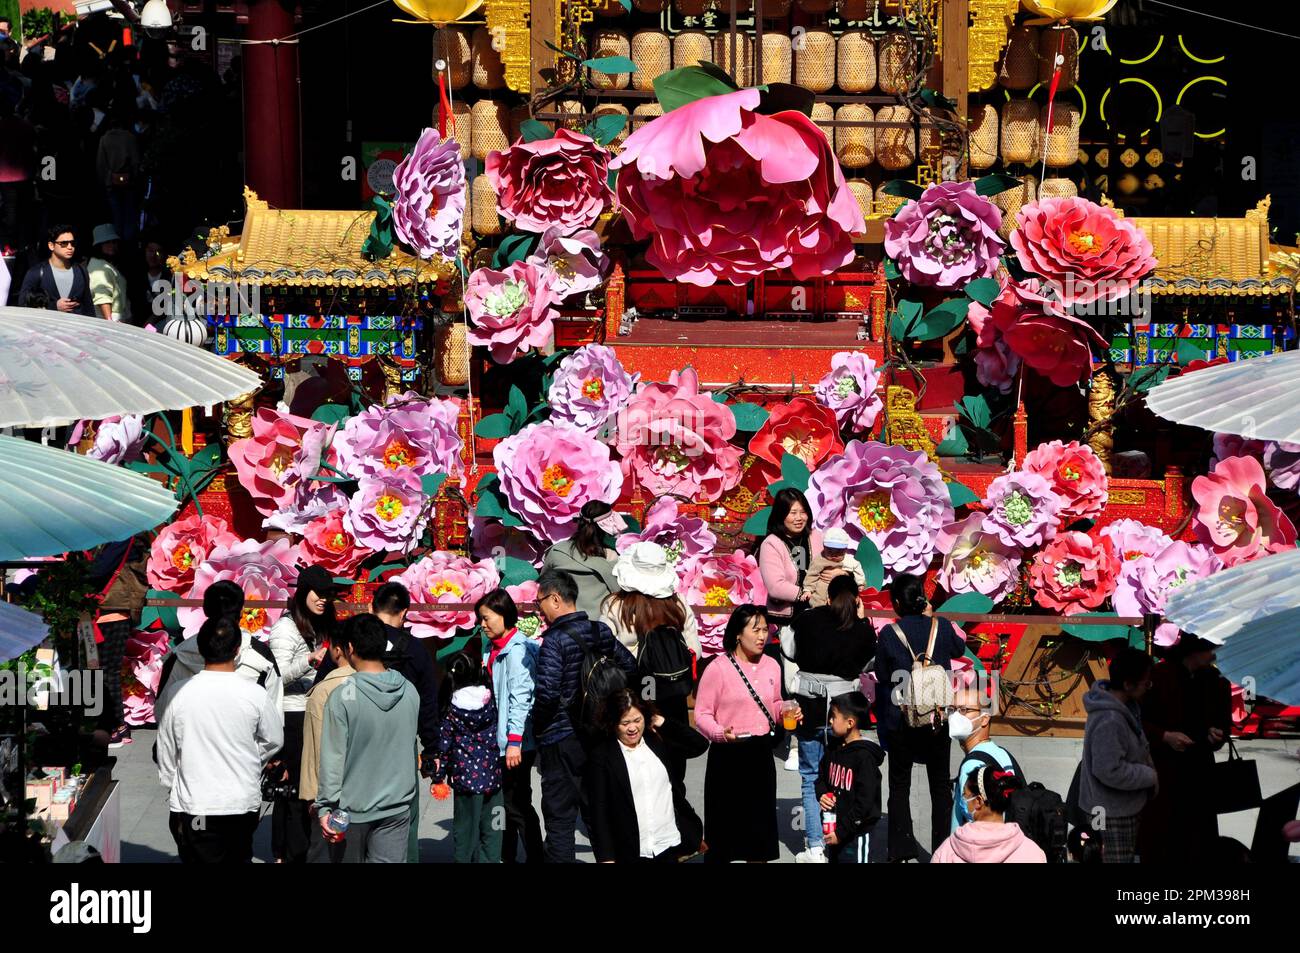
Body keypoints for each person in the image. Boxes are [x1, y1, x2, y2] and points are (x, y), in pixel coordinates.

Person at [156, 616, 284, 863]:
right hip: (241, 801)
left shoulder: (180, 692)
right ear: (237, 650)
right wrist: (251, 758)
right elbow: (274, 739)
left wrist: (173, 782)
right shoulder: (254, 693)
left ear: (200, 648)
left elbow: (166, 749)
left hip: (197, 804)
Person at [532, 567, 636, 863]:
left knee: (560, 816)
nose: (539, 611)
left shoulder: (554, 641)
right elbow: (629, 666)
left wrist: (539, 726)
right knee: (597, 811)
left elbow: (549, 693)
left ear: (555, 599)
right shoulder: (599, 630)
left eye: (539, 603)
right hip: (598, 734)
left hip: (561, 737)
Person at [694, 604, 800, 863]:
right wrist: (719, 733)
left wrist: (787, 711)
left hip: (760, 754)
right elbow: (702, 714)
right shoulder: (718, 668)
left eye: (765, 629)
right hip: (727, 755)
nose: (763, 636)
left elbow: (774, 703)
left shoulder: (772, 665)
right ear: (738, 634)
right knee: (722, 833)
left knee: (759, 834)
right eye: (756, 630)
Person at [872, 573, 965, 862]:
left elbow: (884, 677)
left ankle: (900, 850)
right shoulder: (943, 627)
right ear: (922, 600)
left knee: (899, 785)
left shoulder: (889, 634)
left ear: (898, 603)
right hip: (936, 719)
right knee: (940, 786)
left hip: (902, 720)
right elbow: (959, 649)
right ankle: (942, 851)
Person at [313, 613, 420, 863]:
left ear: (350, 648)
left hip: (351, 809)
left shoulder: (343, 696)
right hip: (398, 805)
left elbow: (333, 757)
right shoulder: (409, 690)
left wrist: (325, 806)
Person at [786, 574, 876, 862]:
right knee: (840, 778)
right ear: (856, 599)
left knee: (812, 776)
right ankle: (839, 838)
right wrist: (862, 622)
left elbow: (789, 650)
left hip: (809, 711)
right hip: (843, 713)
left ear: (828, 597)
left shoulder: (809, 619)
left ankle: (814, 846)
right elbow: (869, 661)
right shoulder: (861, 629)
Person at [585, 689, 707, 863]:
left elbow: (699, 745)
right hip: (631, 850)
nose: (633, 728)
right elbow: (599, 810)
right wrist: (606, 857)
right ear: (612, 723)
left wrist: (660, 720)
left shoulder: (656, 741)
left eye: (637, 720)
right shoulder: (602, 756)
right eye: (625, 723)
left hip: (668, 843)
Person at [1138, 634, 1231, 863]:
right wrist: (1165, 736)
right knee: (1162, 838)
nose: (1214, 655)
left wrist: (1216, 736)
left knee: (1197, 841)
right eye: (1210, 649)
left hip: (1199, 770)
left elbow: (1223, 725)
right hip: (1163, 770)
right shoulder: (1159, 677)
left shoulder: (1217, 680)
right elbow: (1136, 721)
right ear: (1195, 649)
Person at [267, 565, 336, 863]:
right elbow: (277, 677)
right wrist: (310, 660)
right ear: (303, 592)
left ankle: (292, 847)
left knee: (302, 785)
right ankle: (285, 851)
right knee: (293, 787)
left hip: (311, 711)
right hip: (291, 716)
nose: (323, 600)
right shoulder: (285, 628)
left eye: (328, 595)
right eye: (318, 594)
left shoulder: (318, 622)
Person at [600, 541, 700, 727]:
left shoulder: (615, 604)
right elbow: (694, 648)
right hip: (673, 687)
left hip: (634, 692)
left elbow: (605, 648)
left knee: (639, 745)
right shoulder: (677, 602)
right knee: (673, 741)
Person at [476, 587, 543, 863]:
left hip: (514, 743)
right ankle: (508, 854)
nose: (482, 624)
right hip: (505, 740)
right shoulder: (497, 648)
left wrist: (514, 741)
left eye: (486, 618)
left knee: (515, 804)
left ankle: (535, 856)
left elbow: (520, 698)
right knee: (509, 803)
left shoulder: (516, 652)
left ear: (504, 615)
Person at [757, 488, 820, 771]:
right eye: (792, 512)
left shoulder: (814, 537)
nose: (799, 517)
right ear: (781, 516)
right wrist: (803, 593)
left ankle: (819, 734)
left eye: (802, 511)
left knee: (819, 677)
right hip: (789, 624)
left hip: (819, 619)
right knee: (793, 683)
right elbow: (775, 585)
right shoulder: (772, 544)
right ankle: (795, 743)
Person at [156, 580, 283, 720]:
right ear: (242, 610)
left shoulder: (179, 655)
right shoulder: (261, 655)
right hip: (244, 740)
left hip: (191, 739)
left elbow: (162, 711)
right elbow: (274, 716)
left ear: (205, 609)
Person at [1078, 647, 1158, 864]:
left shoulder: (1123, 708)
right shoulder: (1110, 719)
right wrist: (1148, 775)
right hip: (1111, 813)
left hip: (1111, 807)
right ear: (1128, 684)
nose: (1148, 688)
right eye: (1145, 683)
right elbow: (1109, 770)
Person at [432, 659, 503, 864]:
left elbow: (443, 748)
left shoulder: (451, 711)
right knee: (493, 828)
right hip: (492, 778)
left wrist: (438, 778)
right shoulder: (490, 701)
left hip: (466, 781)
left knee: (465, 830)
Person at [86, 536, 149, 748]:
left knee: (105, 671)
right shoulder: (120, 535)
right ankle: (111, 724)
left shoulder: (124, 536)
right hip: (105, 611)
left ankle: (115, 726)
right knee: (99, 671)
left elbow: (98, 568)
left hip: (112, 611)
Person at [300, 630, 353, 863]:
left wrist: (313, 796)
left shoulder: (324, 690)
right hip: (369, 793)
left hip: (329, 792)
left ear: (340, 650)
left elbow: (315, 748)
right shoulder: (383, 685)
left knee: (323, 852)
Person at [814, 691, 884, 864]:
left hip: (855, 833)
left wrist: (842, 832)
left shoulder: (864, 758)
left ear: (850, 723)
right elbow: (821, 778)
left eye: (834, 717)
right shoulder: (832, 748)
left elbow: (865, 804)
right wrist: (822, 794)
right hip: (835, 829)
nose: (830, 721)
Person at [931, 765, 1047, 864]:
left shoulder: (946, 851)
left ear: (978, 802)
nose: (963, 800)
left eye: (965, 795)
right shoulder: (1033, 853)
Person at [949, 683, 1018, 833]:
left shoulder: (972, 765)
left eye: (963, 710)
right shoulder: (1001, 753)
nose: (955, 717)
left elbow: (973, 815)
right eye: (952, 710)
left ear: (984, 718)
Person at [542, 499, 621, 619]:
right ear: (606, 528)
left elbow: (542, 584)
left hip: (563, 625)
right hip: (599, 628)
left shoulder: (557, 551)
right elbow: (619, 592)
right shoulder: (611, 557)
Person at [17, 223, 94, 315]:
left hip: (76, 327)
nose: (70, 247)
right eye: (64, 243)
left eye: (72, 243)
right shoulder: (36, 272)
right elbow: (23, 304)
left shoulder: (81, 271)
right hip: (47, 327)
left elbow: (88, 305)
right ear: (51, 246)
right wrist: (54, 306)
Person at [800, 527, 866, 607]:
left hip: (841, 594)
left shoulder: (849, 560)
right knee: (818, 603)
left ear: (845, 550)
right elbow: (811, 575)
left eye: (839, 552)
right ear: (824, 547)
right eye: (830, 551)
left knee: (843, 604)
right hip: (822, 593)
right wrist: (808, 590)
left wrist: (860, 583)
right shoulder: (819, 560)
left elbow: (858, 570)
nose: (834, 554)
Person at [87, 224, 131, 322]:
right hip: (111, 321)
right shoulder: (99, 266)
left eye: (114, 242)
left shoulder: (106, 264)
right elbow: (102, 297)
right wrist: (110, 323)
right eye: (107, 242)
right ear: (99, 245)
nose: (112, 245)